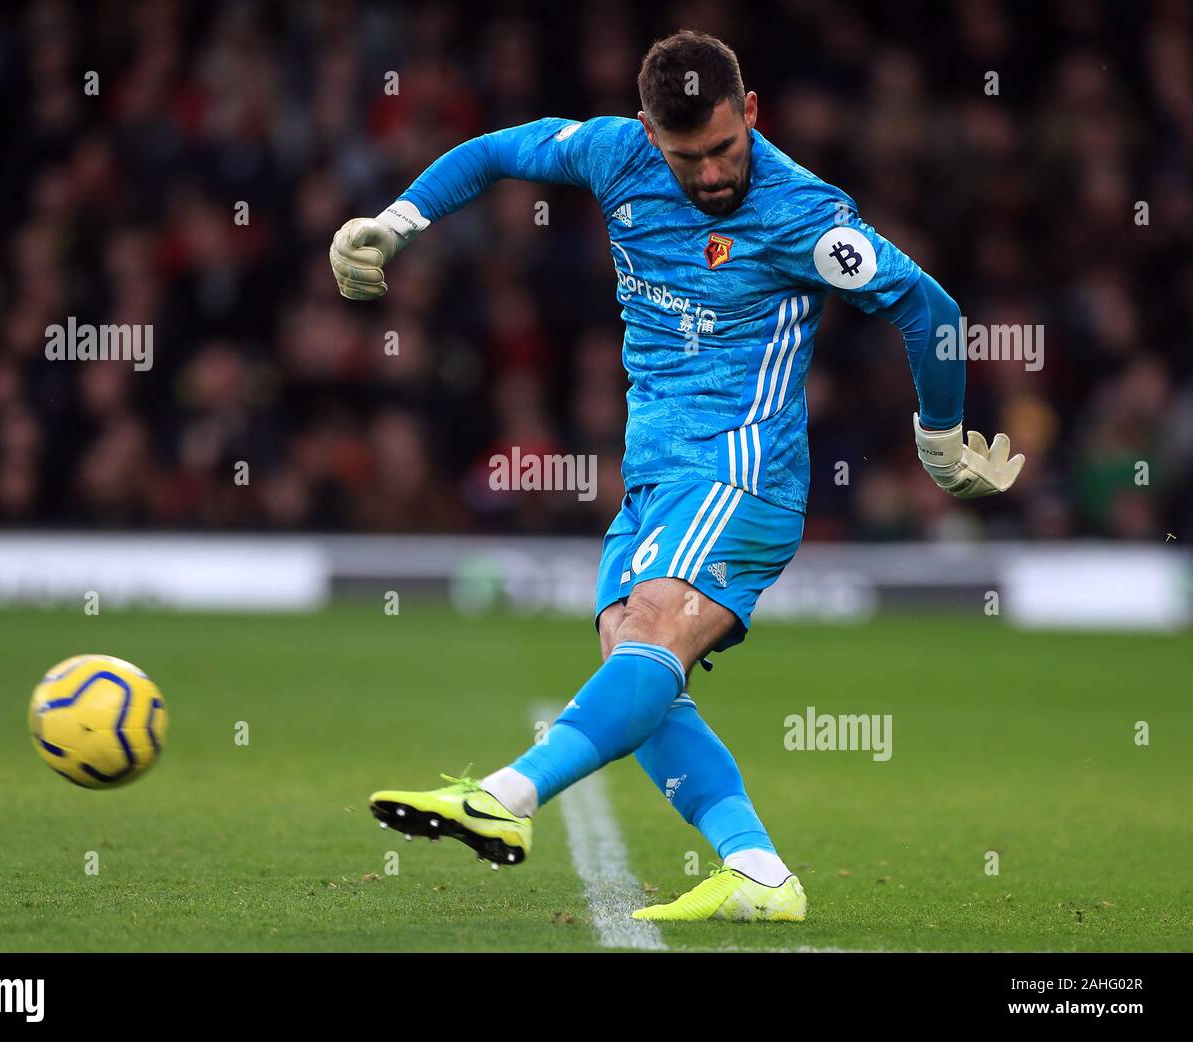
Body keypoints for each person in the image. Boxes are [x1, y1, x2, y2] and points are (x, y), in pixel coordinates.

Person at [332, 30, 1023, 923]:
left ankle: (505, 795)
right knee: (633, 653)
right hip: (658, 470)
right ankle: (758, 871)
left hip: (741, 467)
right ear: (652, 136)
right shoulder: (615, 154)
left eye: (725, 148)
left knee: (653, 627)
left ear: (753, 113)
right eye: (688, 156)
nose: (709, 175)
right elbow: (498, 151)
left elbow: (928, 307)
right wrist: (394, 223)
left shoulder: (804, 215)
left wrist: (939, 437)